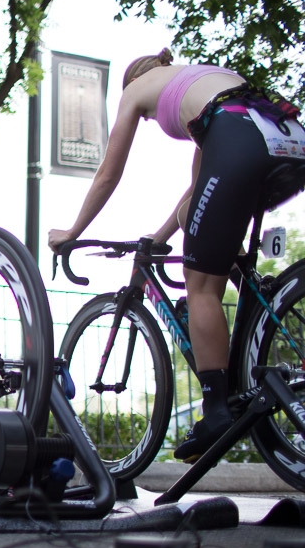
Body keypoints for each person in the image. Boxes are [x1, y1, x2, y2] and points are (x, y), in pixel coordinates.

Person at [48, 48, 305, 461]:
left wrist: (72, 231)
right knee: (195, 221)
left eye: (148, 119)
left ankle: (217, 411)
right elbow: (201, 192)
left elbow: (109, 173)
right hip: (285, 135)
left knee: (200, 286)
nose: (150, 119)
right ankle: (258, 305)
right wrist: (160, 235)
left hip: (239, 139)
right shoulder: (204, 81)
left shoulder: (136, 89)